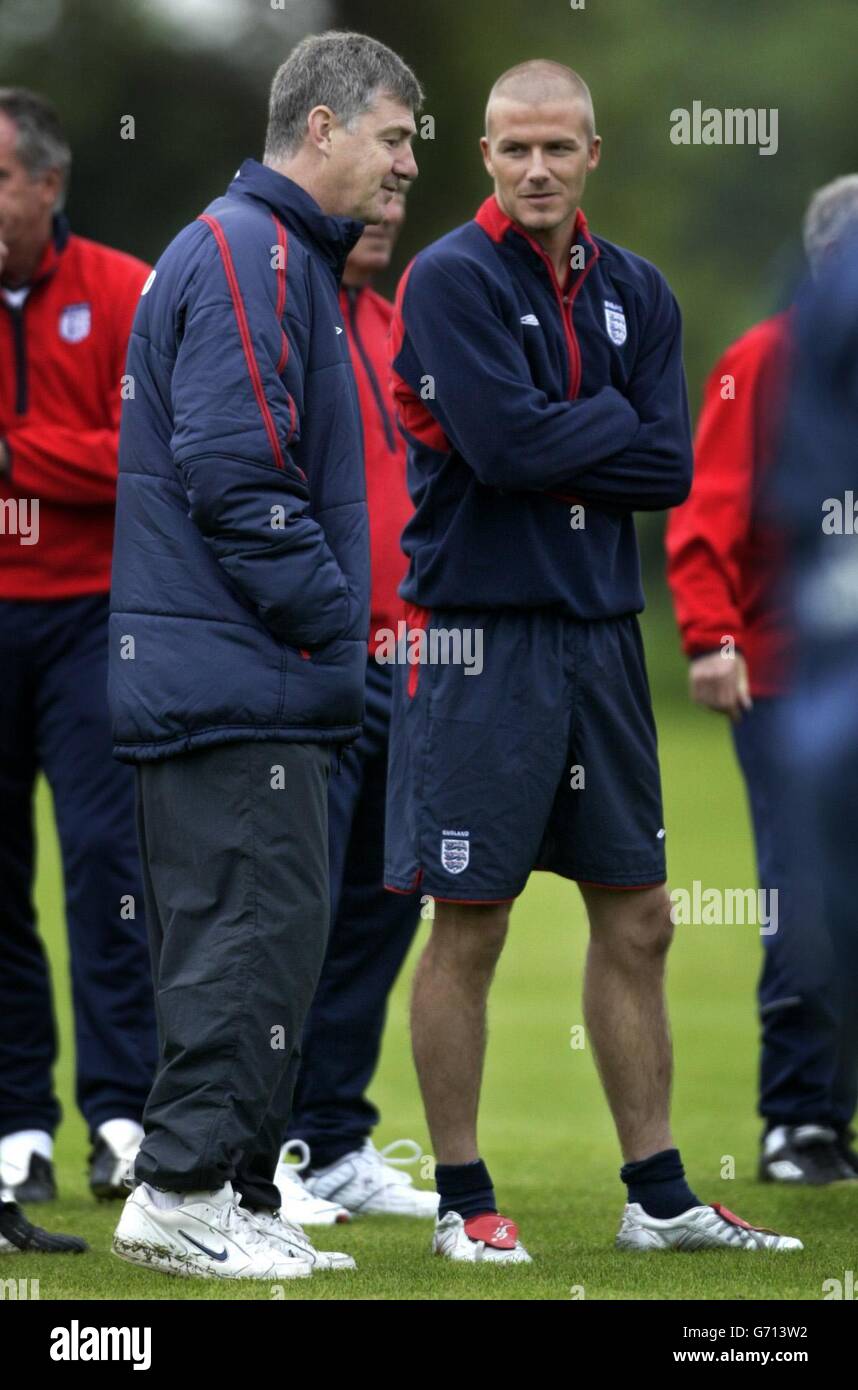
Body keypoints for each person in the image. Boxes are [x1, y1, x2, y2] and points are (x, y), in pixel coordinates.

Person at [386, 59, 802, 1261]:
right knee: (471, 923)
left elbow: (668, 468)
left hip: (603, 638)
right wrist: (598, 426)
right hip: (482, 639)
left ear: (591, 155)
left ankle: (658, 1196)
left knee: (642, 917)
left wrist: (569, 435)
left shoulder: (641, 290)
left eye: (556, 149)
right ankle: (466, 1202)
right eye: (513, 148)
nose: (534, 169)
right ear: (484, 155)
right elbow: (507, 449)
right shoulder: (448, 279)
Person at [109, 31, 422, 1281]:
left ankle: (231, 1186)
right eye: (396, 138)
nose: (409, 166)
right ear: (325, 129)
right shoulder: (251, 249)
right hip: (239, 679)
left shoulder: (282, 251)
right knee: (244, 941)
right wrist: (334, 621)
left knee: (271, 942)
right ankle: (179, 1194)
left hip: (251, 677)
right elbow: (238, 473)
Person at [666, 176, 858, 1187]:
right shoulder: (766, 361)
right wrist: (710, 638)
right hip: (789, 677)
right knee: (806, 896)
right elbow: (708, 517)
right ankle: (799, 1121)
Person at [0, 88, 156, 1206]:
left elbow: (151, 452)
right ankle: (16, 1122)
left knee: (108, 863)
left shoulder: (120, 288)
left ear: (45, 186)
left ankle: (120, 1112)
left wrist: (16, 456)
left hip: (97, 612)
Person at [277, 192, 437, 1224]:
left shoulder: (397, 319)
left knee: (384, 903)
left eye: (398, 196)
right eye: (368, 191)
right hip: (315, 656)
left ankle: (331, 1136)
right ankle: (264, 1149)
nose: (386, 210)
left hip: (413, 656)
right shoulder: (283, 306)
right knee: (293, 910)